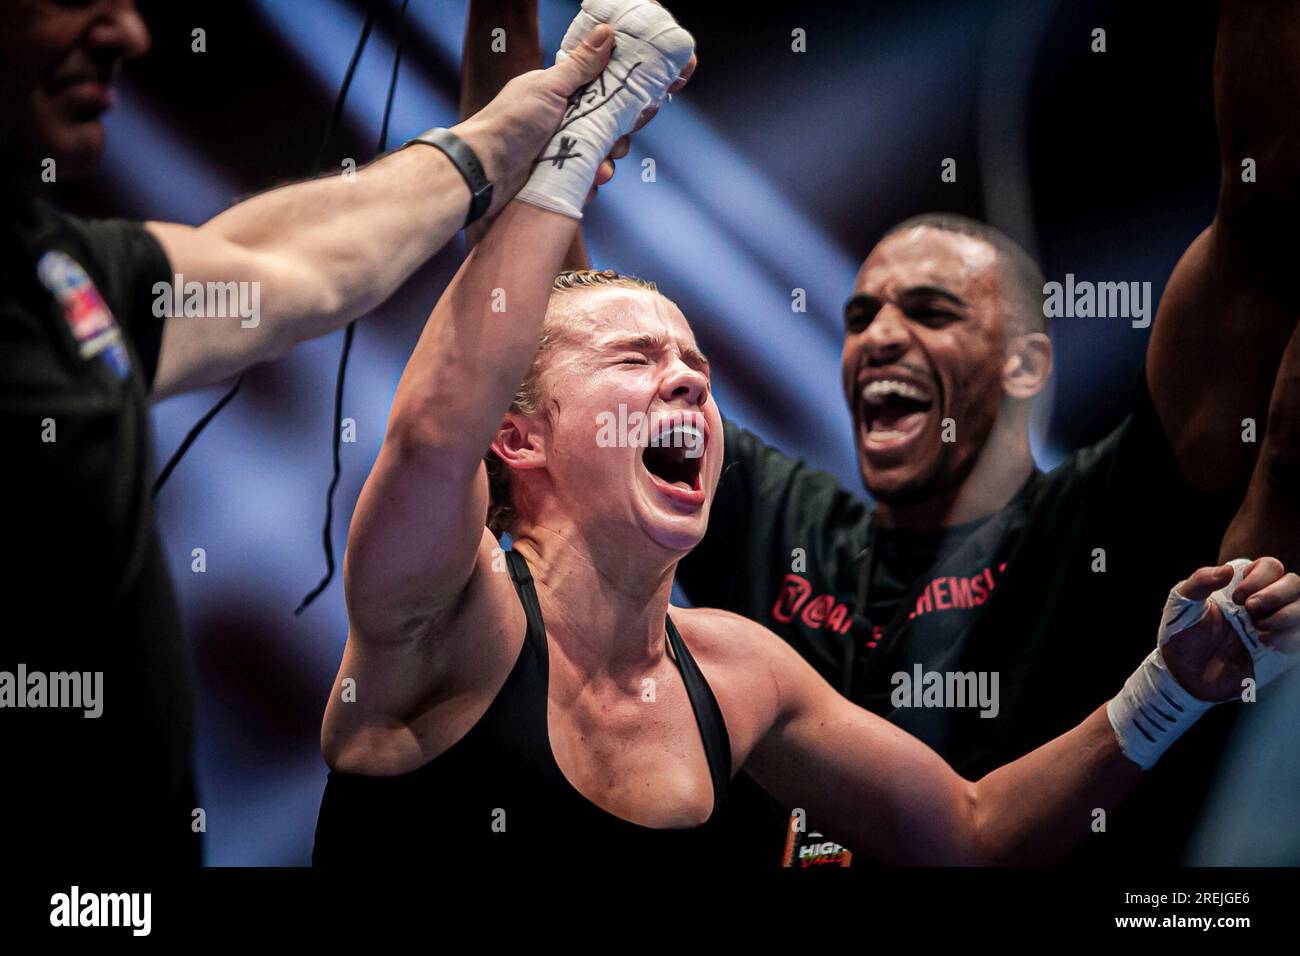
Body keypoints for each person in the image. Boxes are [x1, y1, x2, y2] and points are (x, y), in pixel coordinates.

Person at [309, 0, 1300, 871]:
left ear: (1027, 363)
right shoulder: (446, 612)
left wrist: (1169, 687)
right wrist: (568, 114)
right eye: (858, 313)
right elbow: (473, 381)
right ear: (516, 436)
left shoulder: (746, 669)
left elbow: (969, 827)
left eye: (928, 309)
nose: (691, 379)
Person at [0, 0, 629, 865]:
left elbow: (289, 267)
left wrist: (490, 145)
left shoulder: (47, 271)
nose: (130, 34)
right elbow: (432, 434)